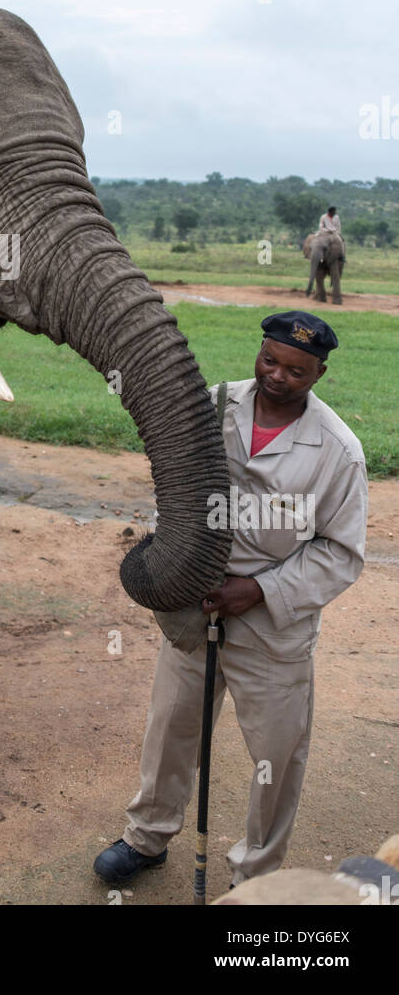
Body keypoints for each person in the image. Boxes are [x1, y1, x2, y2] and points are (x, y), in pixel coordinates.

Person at [94, 311, 368, 890]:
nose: (277, 376)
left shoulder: (338, 450)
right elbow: (174, 479)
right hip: (196, 604)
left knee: (276, 758)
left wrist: (260, 589)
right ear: (260, 351)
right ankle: (147, 836)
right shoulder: (213, 405)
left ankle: (257, 873)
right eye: (270, 360)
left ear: (319, 373)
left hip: (274, 623)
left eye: (296, 370)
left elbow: (340, 553)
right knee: (170, 727)